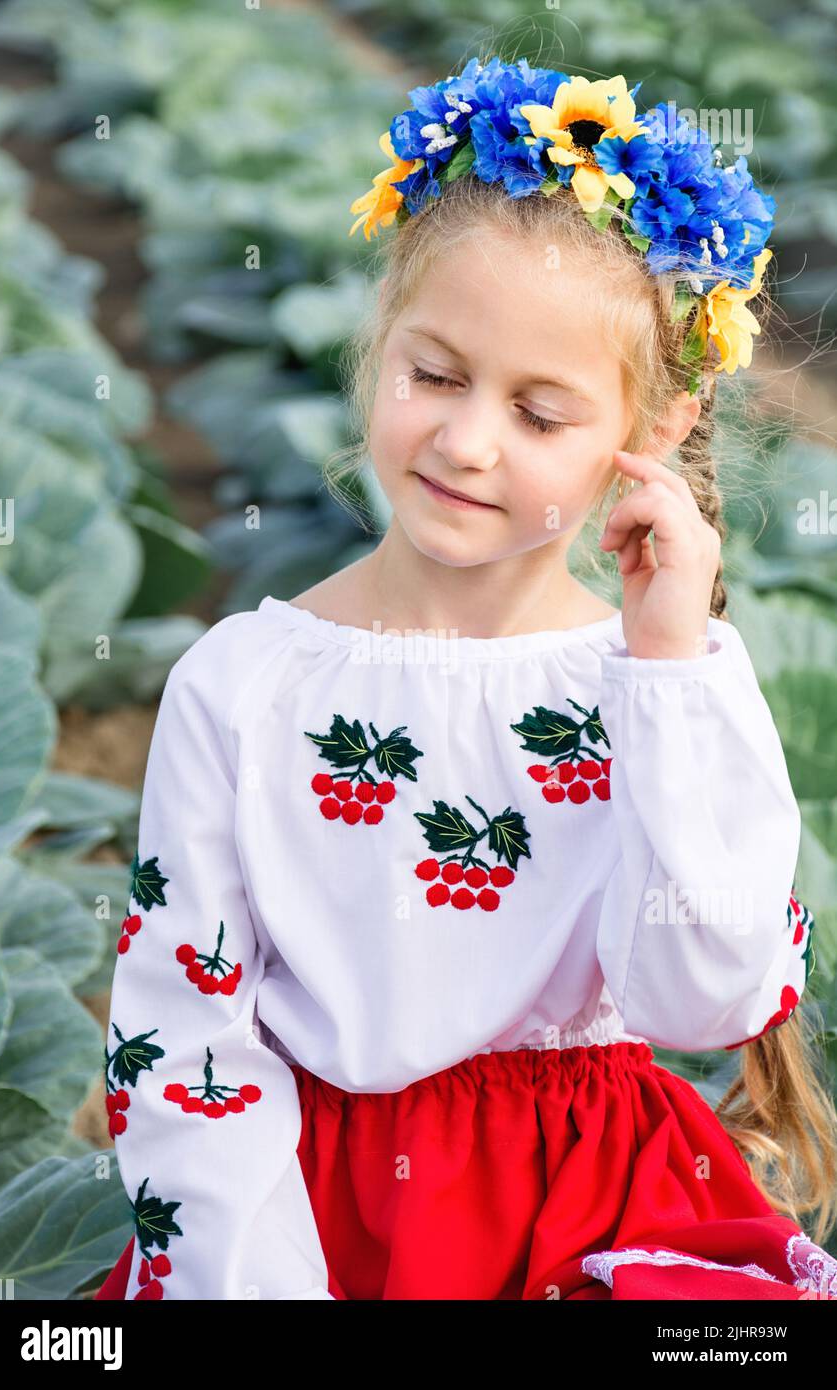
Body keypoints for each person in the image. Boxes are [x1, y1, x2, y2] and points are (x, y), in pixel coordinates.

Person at [94, 59, 837, 1301]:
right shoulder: (242, 681)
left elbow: (707, 996)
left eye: (540, 413)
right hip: (300, 1214)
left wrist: (666, 669)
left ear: (647, 431)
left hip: (588, 1219)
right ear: (380, 332)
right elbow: (184, 1037)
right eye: (434, 375)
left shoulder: (657, 685)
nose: (465, 439)